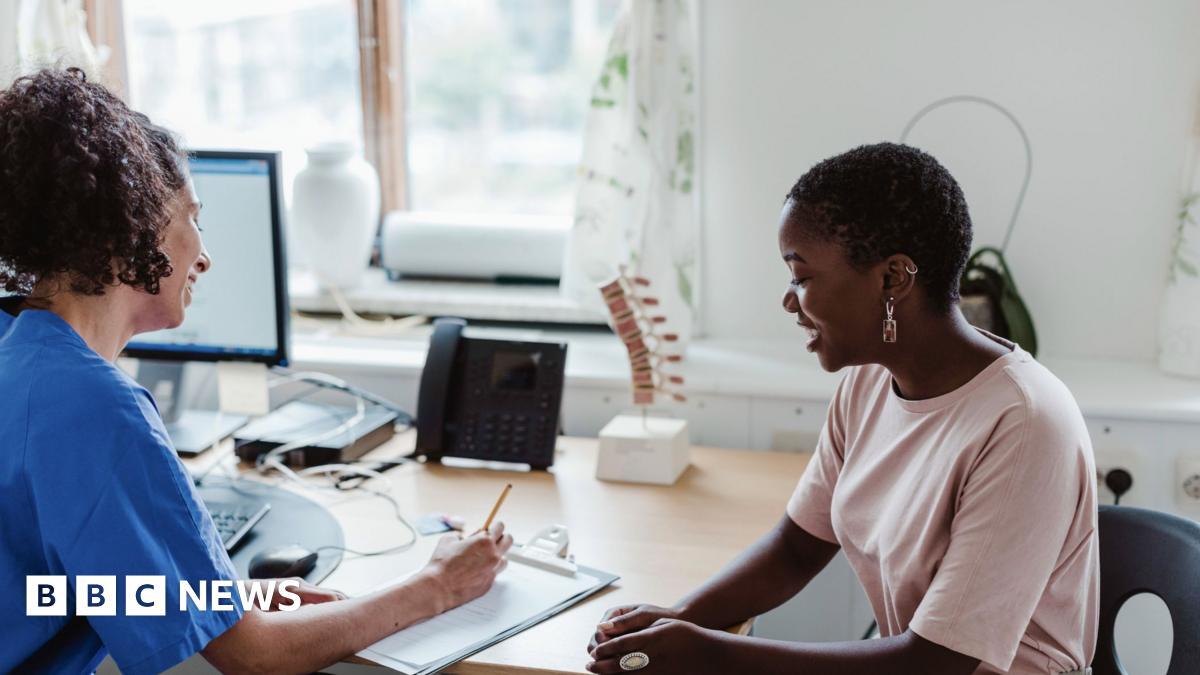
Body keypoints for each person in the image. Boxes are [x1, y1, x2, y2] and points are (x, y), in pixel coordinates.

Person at [0, 68, 513, 674]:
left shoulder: (17, 348)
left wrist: (233, 598)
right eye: (193, 218)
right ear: (132, 225)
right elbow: (254, 656)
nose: (204, 255)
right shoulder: (96, 408)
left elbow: (42, 587)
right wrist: (438, 585)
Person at [586, 143, 1098, 675]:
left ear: (893, 278)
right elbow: (795, 549)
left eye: (802, 277)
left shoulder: (1024, 422)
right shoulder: (869, 381)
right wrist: (681, 616)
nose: (790, 301)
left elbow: (935, 662)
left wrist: (711, 652)